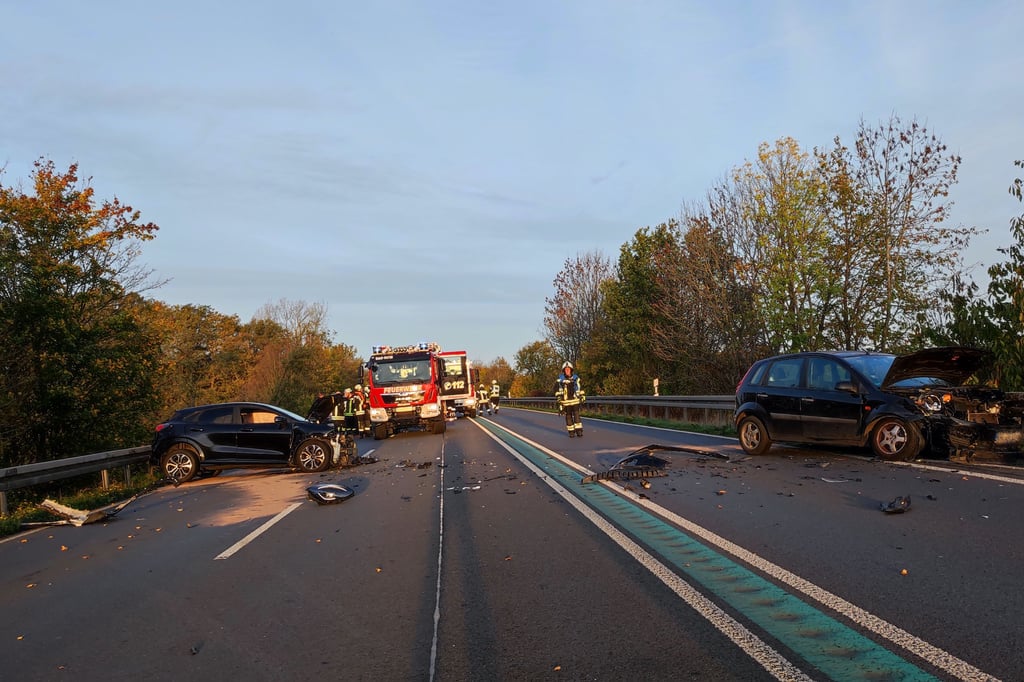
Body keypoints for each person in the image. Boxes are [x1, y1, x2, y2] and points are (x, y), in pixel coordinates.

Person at [554, 361, 585, 437]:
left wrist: (582, 396)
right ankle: (571, 432)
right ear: (563, 370)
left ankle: (579, 431)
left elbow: (580, 388)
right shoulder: (560, 380)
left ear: (571, 370)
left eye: (568, 369)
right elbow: (556, 390)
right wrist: (559, 399)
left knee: (576, 415)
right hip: (566, 402)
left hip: (575, 400)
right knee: (568, 416)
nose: (567, 370)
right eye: (566, 369)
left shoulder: (576, 378)